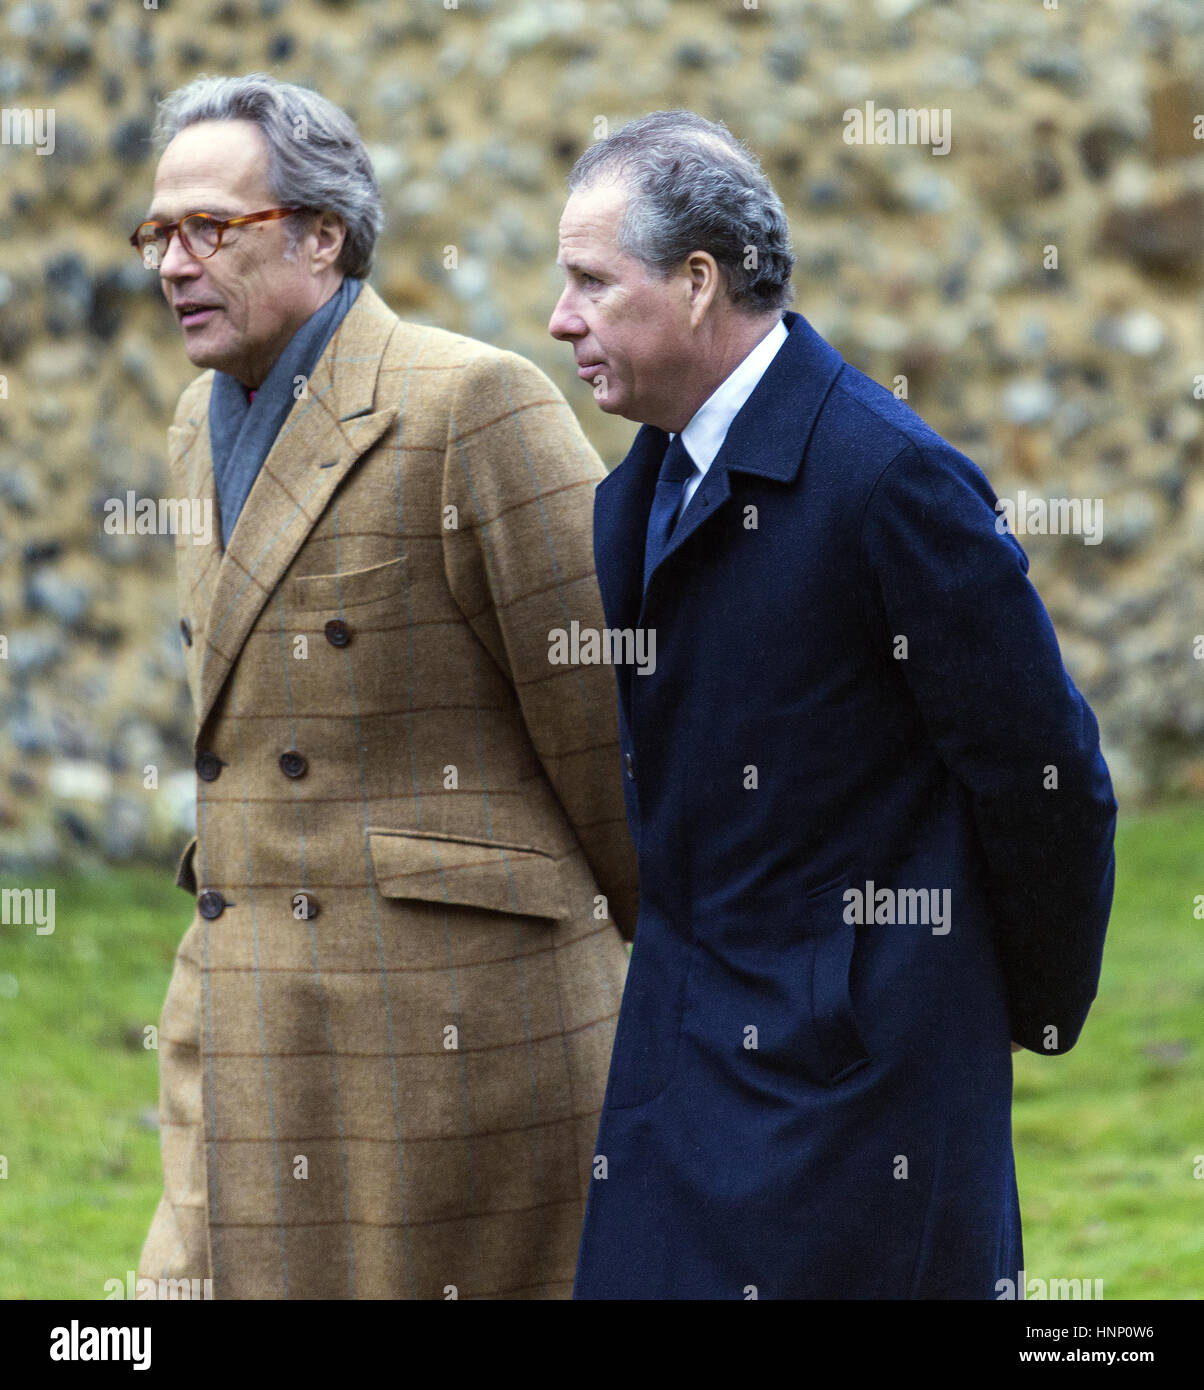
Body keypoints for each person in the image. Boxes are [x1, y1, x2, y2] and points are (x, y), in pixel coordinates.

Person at [548, 109, 1117, 1299]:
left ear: (698, 282)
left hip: (863, 1093)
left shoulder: (886, 479)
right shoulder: (629, 500)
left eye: (591, 283)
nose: (561, 320)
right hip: (676, 1065)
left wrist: (978, 1008)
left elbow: (1046, 772)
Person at [133, 73, 637, 1300]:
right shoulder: (197, 423)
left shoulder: (473, 401)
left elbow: (608, 723)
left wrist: (667, 963)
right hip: (241, 1016)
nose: (174, 264)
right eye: (158, 233)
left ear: (324, 234)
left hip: (458, 1035)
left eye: (213, 228)